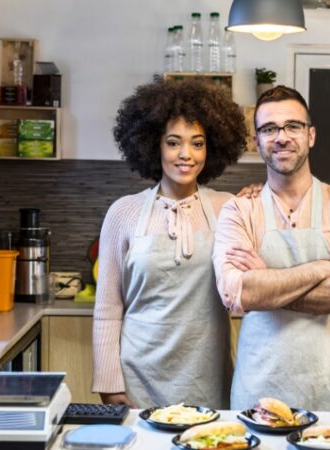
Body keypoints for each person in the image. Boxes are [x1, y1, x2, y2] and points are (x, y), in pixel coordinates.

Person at [212, 86, 330, 411]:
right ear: (256, 141)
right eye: (269, 129)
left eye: (293, 126)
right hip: (258, 392)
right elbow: (237, 295)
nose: (282, 137)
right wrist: (325, 268)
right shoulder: (239, 210)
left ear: (311, 135)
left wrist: (267, 282)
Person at [93, 79, 248, 409]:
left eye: (197, 143)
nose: (185, 155)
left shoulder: (228, 208)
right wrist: (108, 383)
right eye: (173, 142)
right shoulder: (124, 212)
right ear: (154, 146)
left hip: (208, 377)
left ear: (212, 148)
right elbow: (107, 308)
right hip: (138, 378)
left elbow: (248, 288)